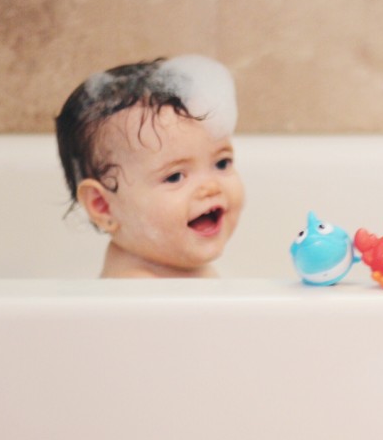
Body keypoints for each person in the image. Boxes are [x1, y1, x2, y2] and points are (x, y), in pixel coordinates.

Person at [55, 55, 245, 278]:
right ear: (103, 205)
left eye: (221, 163)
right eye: (174, 177)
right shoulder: (138, 292)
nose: (211, 187)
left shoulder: (171, 263)